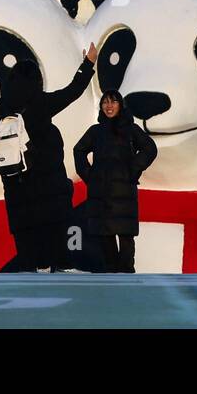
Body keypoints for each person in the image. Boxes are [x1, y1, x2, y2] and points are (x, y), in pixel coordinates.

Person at [0, 43, 97, 272]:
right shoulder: (43, 103)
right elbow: (73, 90)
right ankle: (62, 264)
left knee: (26, 227)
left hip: (17, 182)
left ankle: (36, 266)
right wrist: (88, 64)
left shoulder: (3, 108)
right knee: (57, 224)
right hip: (49, 183)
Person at [73, 90, 157, 273]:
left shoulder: (131, 129)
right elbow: (78, 150)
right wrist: (89, 175)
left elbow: (150, 148)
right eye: (105, 102)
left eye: (113, 102)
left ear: (121, 105)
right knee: (105, 235)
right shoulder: (96, 131)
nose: (109, 106)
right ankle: (111, 275)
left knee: (126, 236)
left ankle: (127, 273)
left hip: (124, 191)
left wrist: (134, 169)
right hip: (100, 191)